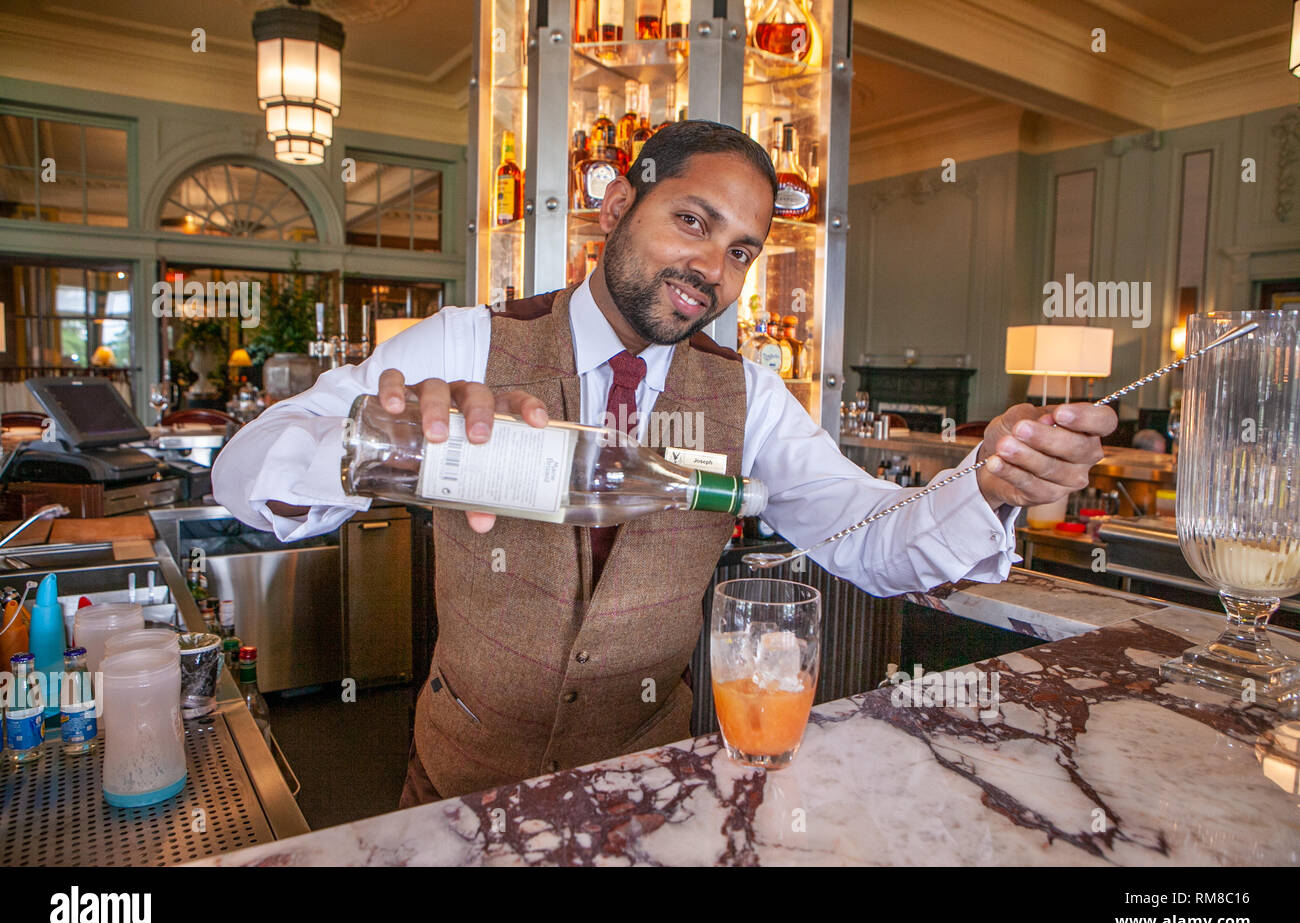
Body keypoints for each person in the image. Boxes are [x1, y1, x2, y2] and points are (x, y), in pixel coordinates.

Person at [212, 121, 1115, 806]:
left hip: (652, 788)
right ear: (615, 209)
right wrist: (374, 441)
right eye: (692, 220)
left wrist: (989, 483)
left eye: (740, 251)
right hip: (462, 783)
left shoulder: (750, 397)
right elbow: (244, 474)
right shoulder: (466, 341)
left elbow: (868, 535)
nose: (710, 268)